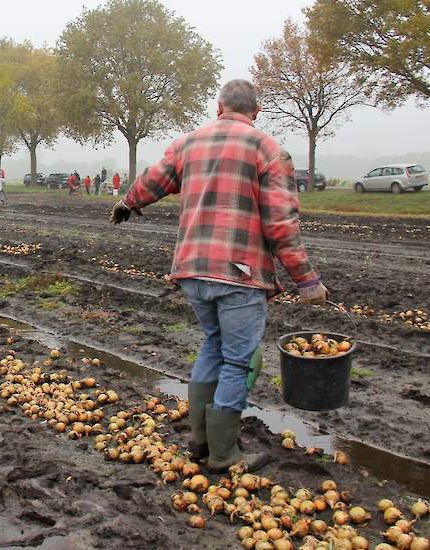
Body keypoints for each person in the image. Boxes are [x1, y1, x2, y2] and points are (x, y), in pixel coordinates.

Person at [110, 79, 328, 474]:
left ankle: (200, 442)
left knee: (214, 344)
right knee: (239, 359)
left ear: (219, 107)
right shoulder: (268, 149)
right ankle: (223, 452)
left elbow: (154, 181)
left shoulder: (188, 143)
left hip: (193, 268)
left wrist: (127, 202)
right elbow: (281, 223)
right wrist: (306, 279)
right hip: (238, 272)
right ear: (256, 112)